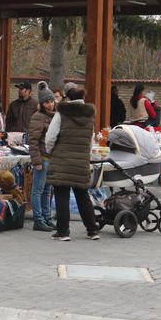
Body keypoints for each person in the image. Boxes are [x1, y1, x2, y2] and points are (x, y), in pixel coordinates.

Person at [44, 87, 100, 240]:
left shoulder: (61, 114)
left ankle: (63, 232)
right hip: (81, 161)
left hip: (61, 160)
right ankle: (92, 230)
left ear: (67, 98)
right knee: (83, 195)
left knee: (62, 195)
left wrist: (51, 151)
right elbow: (90, 141)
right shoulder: (89, 116)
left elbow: (50, 137)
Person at [26, 81, 56, 232]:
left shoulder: (54, 116)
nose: (50, 104)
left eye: (51, 101)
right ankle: (38, 220)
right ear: (42, 103)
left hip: (51, 159)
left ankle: (47, 218)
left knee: (47, 191)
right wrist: (36, 161)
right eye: (47, 102)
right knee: (37, 191)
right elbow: (33, 141)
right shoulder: (38, 117)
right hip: (42, 159)